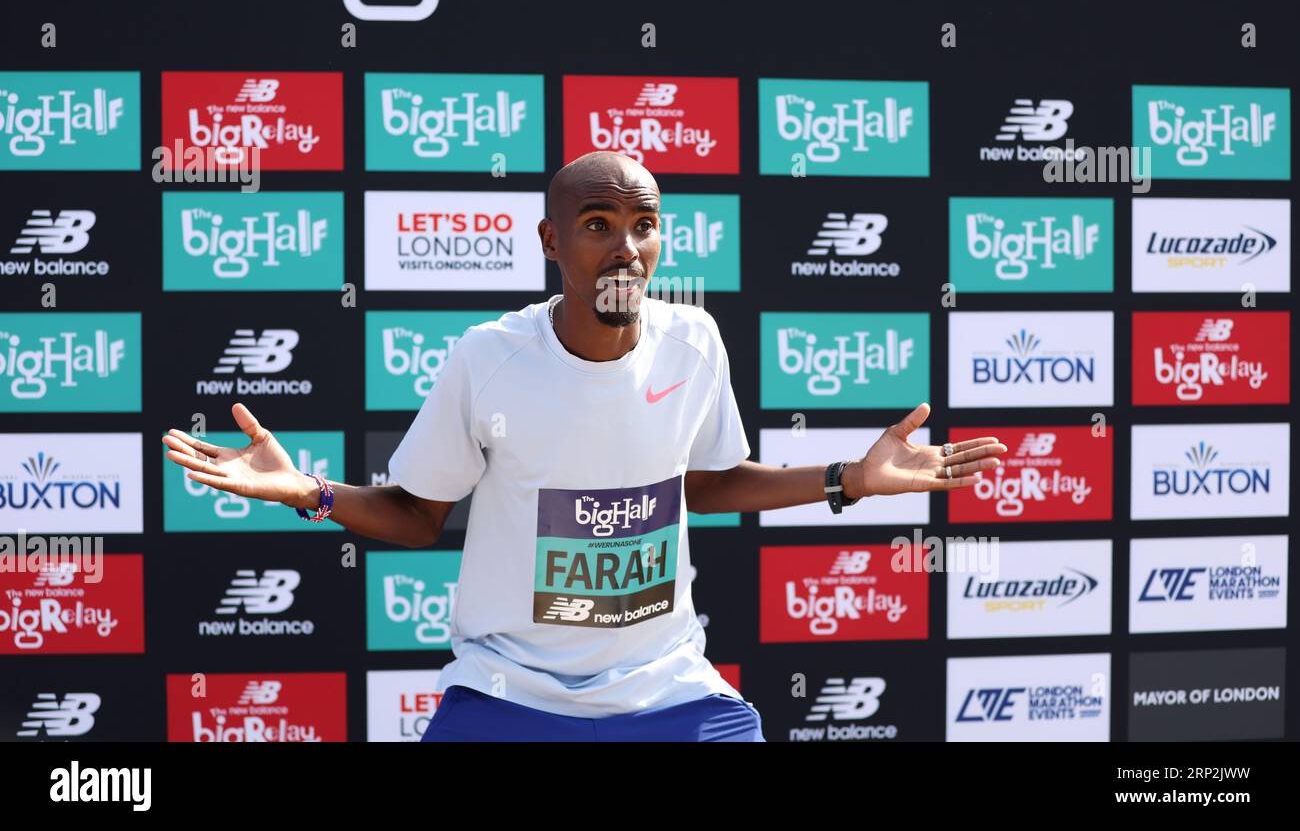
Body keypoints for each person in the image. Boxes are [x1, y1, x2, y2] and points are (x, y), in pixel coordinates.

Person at [162, 150, 1006, 742]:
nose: (626, 248)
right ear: (551, 241)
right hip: (509, 691)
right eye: (598, 223)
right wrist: (306, 489)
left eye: (644, 224)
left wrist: (850, 477)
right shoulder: (488, 360)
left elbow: (705, 485)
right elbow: (418, 516)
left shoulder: (695, 341)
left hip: (666, 688)